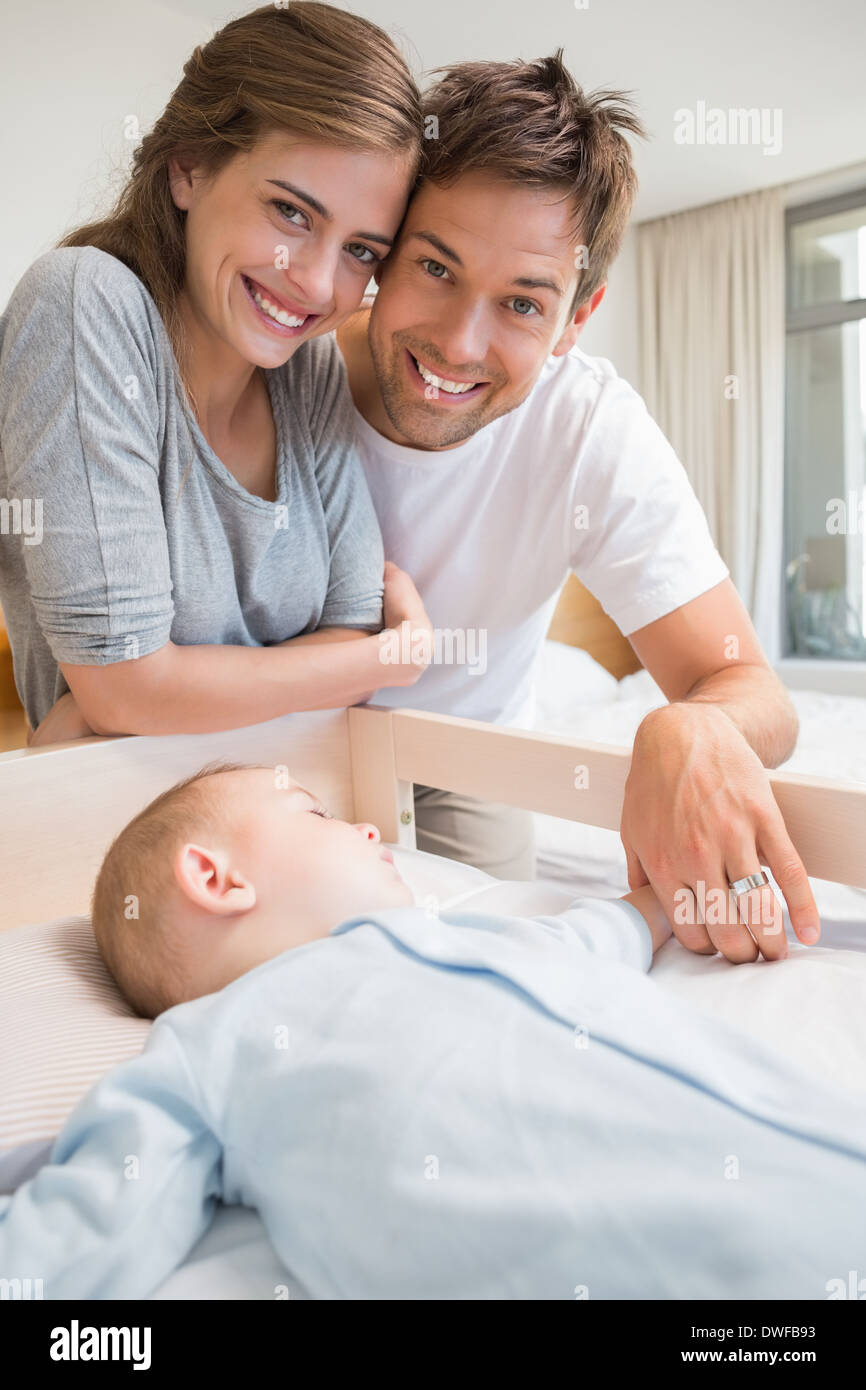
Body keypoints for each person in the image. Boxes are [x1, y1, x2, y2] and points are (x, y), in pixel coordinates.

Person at [0, 763, 857, 1300]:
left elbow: (604, 931)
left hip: (808, 1155)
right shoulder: (210, 1044)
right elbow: (90, 1221)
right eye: (317, 813)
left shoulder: (472, 940)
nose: (369, 827)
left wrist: (678, 887)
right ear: (214, 877)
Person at [336, 53, 821, 956]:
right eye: (436, 268)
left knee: (499, 970)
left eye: (522, 303)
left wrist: (690, 726)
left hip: (467, 760)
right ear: (384, 248)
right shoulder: (285, 368)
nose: (459, 342)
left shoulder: (590, 429)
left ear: (578, 318)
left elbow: (756, 693)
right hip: (288, 746)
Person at [0, 2, 430, 746]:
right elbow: (126, 692)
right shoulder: (82, 305)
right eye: (292, 212)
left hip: (296, 817)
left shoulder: (310, 372)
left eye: (362, 250)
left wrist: (158, 689)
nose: (319, 285)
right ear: (188, 168)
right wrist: (383, 661)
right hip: (117, 841)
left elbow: (353, 617)